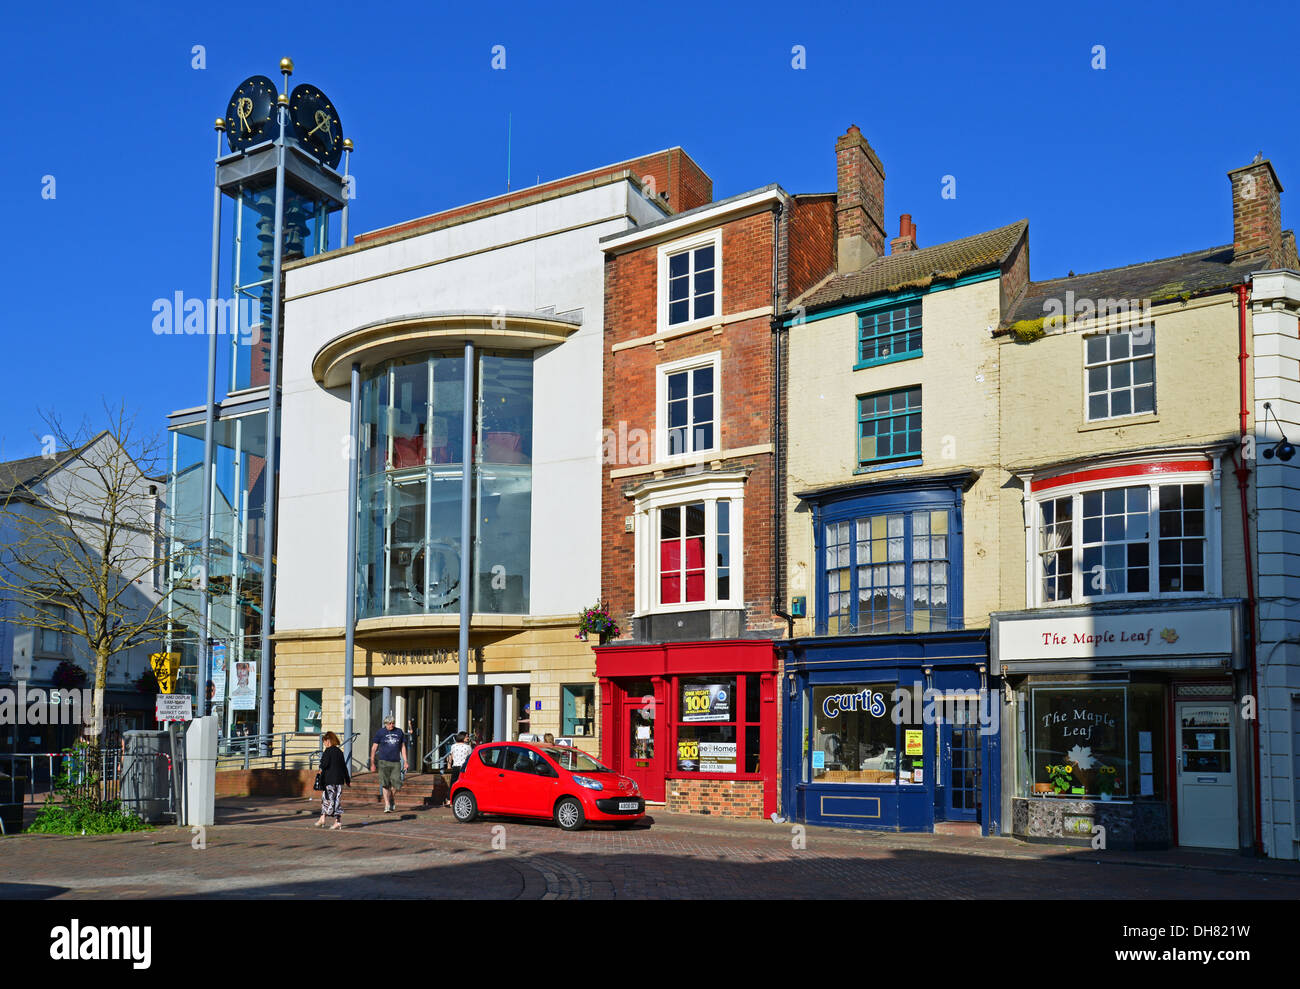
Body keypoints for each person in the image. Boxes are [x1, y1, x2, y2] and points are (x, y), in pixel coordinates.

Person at [369, 715, 407, 813]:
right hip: (383, 762)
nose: (392, 725)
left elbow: (403, 747)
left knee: (396, 784)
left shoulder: (399, 732)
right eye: (390, 723)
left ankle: (391, 798)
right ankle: (387, 805)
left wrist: (406, 761)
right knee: (385, 784)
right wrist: (372, 762)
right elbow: (374, 748)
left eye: (393, 723)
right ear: (385, 724)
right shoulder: (380, 732)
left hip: (396, 762)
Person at [316, 731, 350, 830]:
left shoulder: (328, 751)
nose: (324, 743)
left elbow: (324, 765)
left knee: (326, 799)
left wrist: (320, 771)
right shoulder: (339, 752)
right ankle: (332, 820)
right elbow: (344, 767)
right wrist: (347, 779)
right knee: (336, 800)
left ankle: (327, 819)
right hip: (339, 780)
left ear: (328, 740)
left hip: (329, 780)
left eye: (325, 741)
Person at [443, 731, 473, 806]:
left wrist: (449, 765)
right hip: (464, 768)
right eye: (466, 736)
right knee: (463, 784)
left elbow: (451, 756)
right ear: (462, 737)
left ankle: (449, 800)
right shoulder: (468, 747)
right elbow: (470, 758)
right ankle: (460, 800)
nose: (468, 738)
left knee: (453, 784)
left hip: (455, 767)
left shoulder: (453, 746)